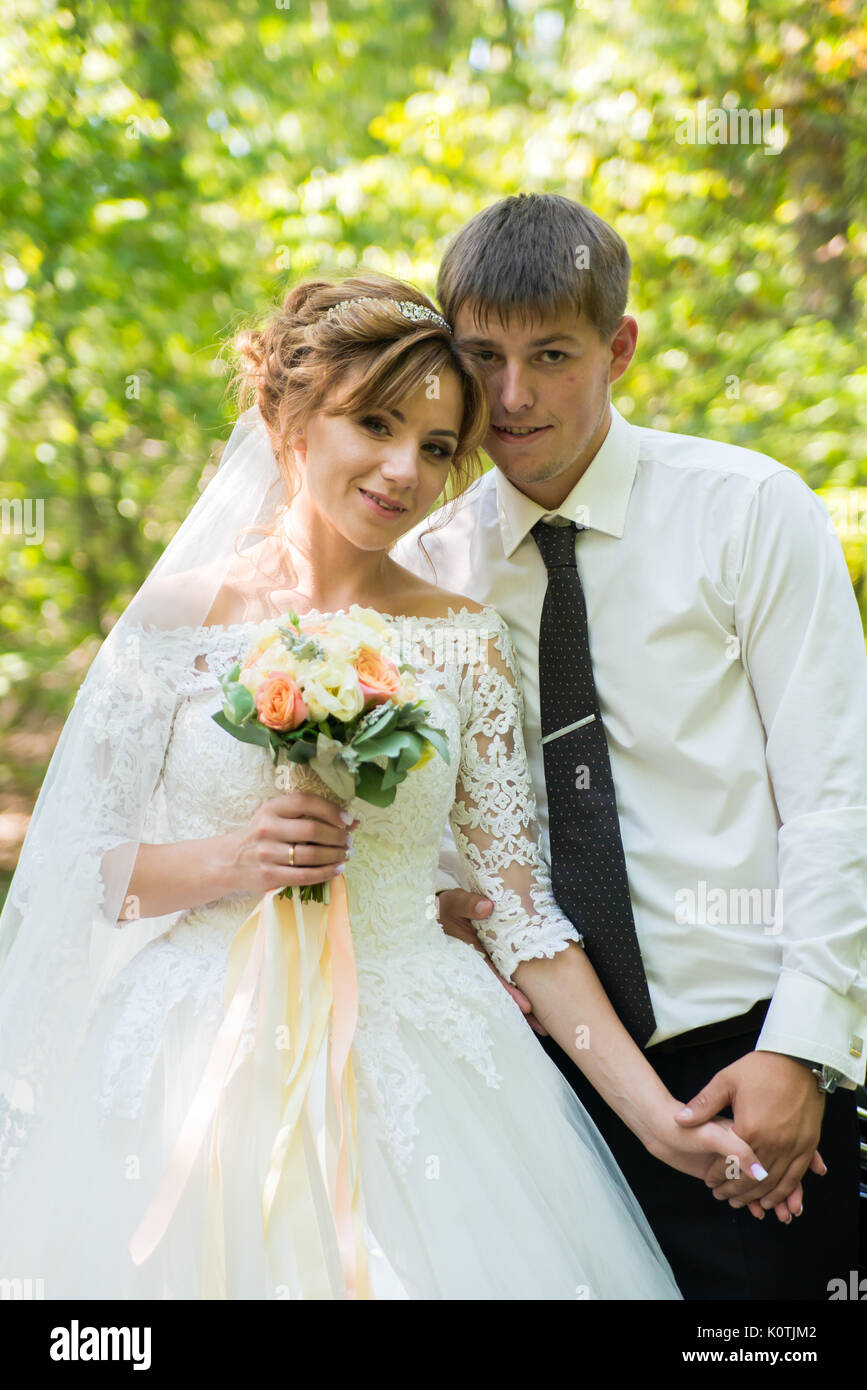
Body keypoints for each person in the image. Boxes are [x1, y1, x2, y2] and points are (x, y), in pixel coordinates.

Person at [0, 271, 777, 1301]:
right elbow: (79, 871)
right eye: (374, 424)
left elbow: (520, 915)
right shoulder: (174, 621)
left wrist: (655, 1117)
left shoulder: (465, 641)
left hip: (427, 1056)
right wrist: (229, 862)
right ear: (289, 419)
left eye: (440, 445)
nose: (404, 469)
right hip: (190, 1063)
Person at [393, 194, 867, 1301]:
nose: (512, 397)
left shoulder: (749, 511)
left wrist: (804, 1047)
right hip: (529, 1091)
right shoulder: (423, 567)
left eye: (551, 354)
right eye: (483, 356)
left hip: (746, 1056)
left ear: (619, 348)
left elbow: (840, 798)